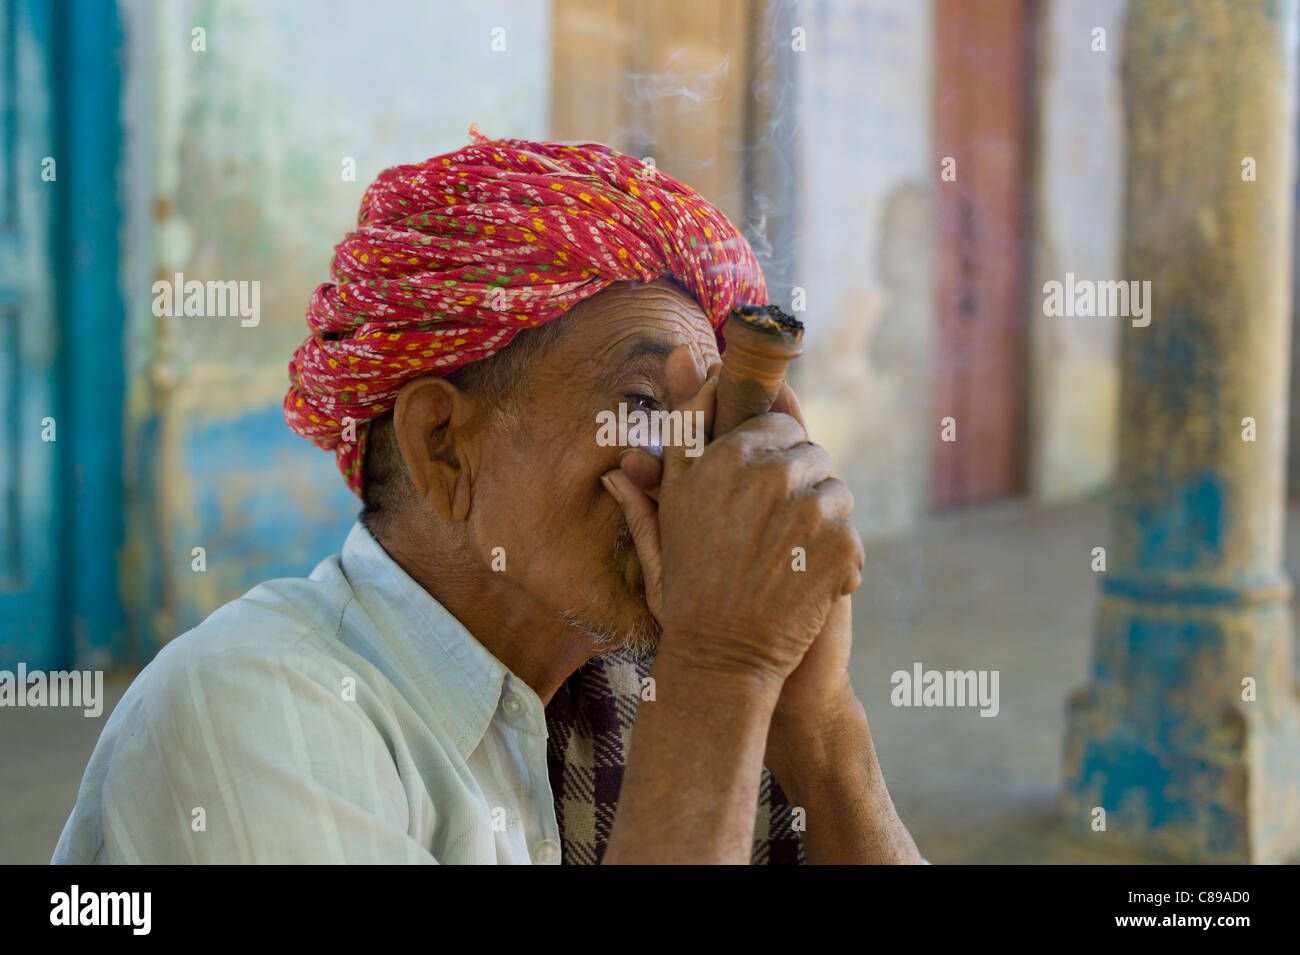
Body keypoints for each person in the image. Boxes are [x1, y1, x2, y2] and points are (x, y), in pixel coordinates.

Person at [53, 131, 922, 864]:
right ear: (444, 446)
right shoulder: (251, 707)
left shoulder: (632, 689)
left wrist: (817, 717)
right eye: (647, 407)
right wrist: (720, 669)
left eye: (706, 423)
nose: (693, 471)